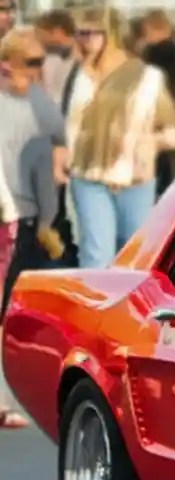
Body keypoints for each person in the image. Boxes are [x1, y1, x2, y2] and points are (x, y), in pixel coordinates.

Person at [66, 7, 175, 270]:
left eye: (90, 33)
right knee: (96, 257)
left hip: (135, 178)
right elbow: (69, 126)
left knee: (133, 260)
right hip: (88, 176)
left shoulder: (147, 77)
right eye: (79, 33)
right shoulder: (78, 76)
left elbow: (171, 131)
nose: (82, 40)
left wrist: (147, 145)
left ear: (111, 35)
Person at [0, 29, 64, 318]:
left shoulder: (39, 102)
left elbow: (53, 146)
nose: (38, 69)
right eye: (31, 62)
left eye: (40, 62)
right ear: (8, 62)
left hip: (24, 209)